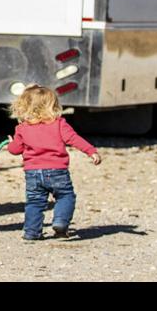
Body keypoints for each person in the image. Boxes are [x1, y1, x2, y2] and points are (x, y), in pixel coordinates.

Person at [6, 85, 101, 240]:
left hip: (33, 173)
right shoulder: (59, 124)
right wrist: (91, 151)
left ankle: (31, 233)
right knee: (65, 196)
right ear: (53, 105)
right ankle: (61, 222)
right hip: (58, 171)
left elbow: (15, 150)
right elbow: (74, 139)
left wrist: (11, 144)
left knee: (35, 202)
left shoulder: (22, 128)